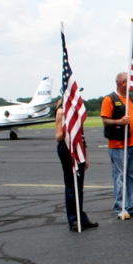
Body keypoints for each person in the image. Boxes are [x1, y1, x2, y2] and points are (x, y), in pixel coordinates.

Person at [100, 72, 133, 219]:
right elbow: (105, 120)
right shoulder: (110, 99)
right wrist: (119, 121)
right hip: (118, 144)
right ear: (122, 83)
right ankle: (121, 208)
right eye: (130, 82)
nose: (132, 84)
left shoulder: (131, 99)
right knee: (120, 177)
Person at [55, 98, 97, 232]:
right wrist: (68, 126)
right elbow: (58, 136)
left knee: (79, 187)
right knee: (71, 186)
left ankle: (81, 217)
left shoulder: (76, 113)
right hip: (66, 149)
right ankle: (73, 219)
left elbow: (81, 135)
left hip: (79, 149)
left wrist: (86, 155)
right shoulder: (61, 112)